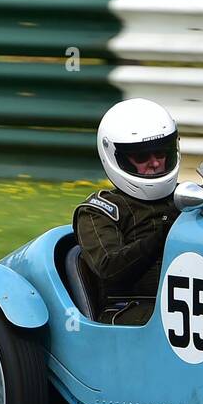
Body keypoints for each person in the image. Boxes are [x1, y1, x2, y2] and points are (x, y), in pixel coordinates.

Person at [73, 99, 181, 324]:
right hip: (130, 310)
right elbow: (110, 269)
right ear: (116, 157)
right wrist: (160, 237)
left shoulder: (188, 198)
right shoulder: (99, 211)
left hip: (191, 300)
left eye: (161, 153)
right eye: (142, 156)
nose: (155, 163)